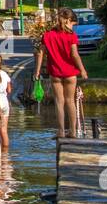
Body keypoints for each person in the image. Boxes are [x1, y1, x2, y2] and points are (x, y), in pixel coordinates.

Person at [34, 8, 89, 138]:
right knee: (70, 101)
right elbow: (75, 55)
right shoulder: (71, 36)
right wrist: (82, 70)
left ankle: (60, 131)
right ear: (68, 20)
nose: (73, 28)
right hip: (70, 73)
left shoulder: (47, 35)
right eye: (73, 24)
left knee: (59, 101)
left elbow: (40, 53)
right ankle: (73, 132)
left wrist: (37, 71)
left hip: (55, 73)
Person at [0, 64, 13, 151]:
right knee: (4, 131)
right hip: (5, 102)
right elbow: (9, 90)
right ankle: (6, 153)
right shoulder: (4, 74)